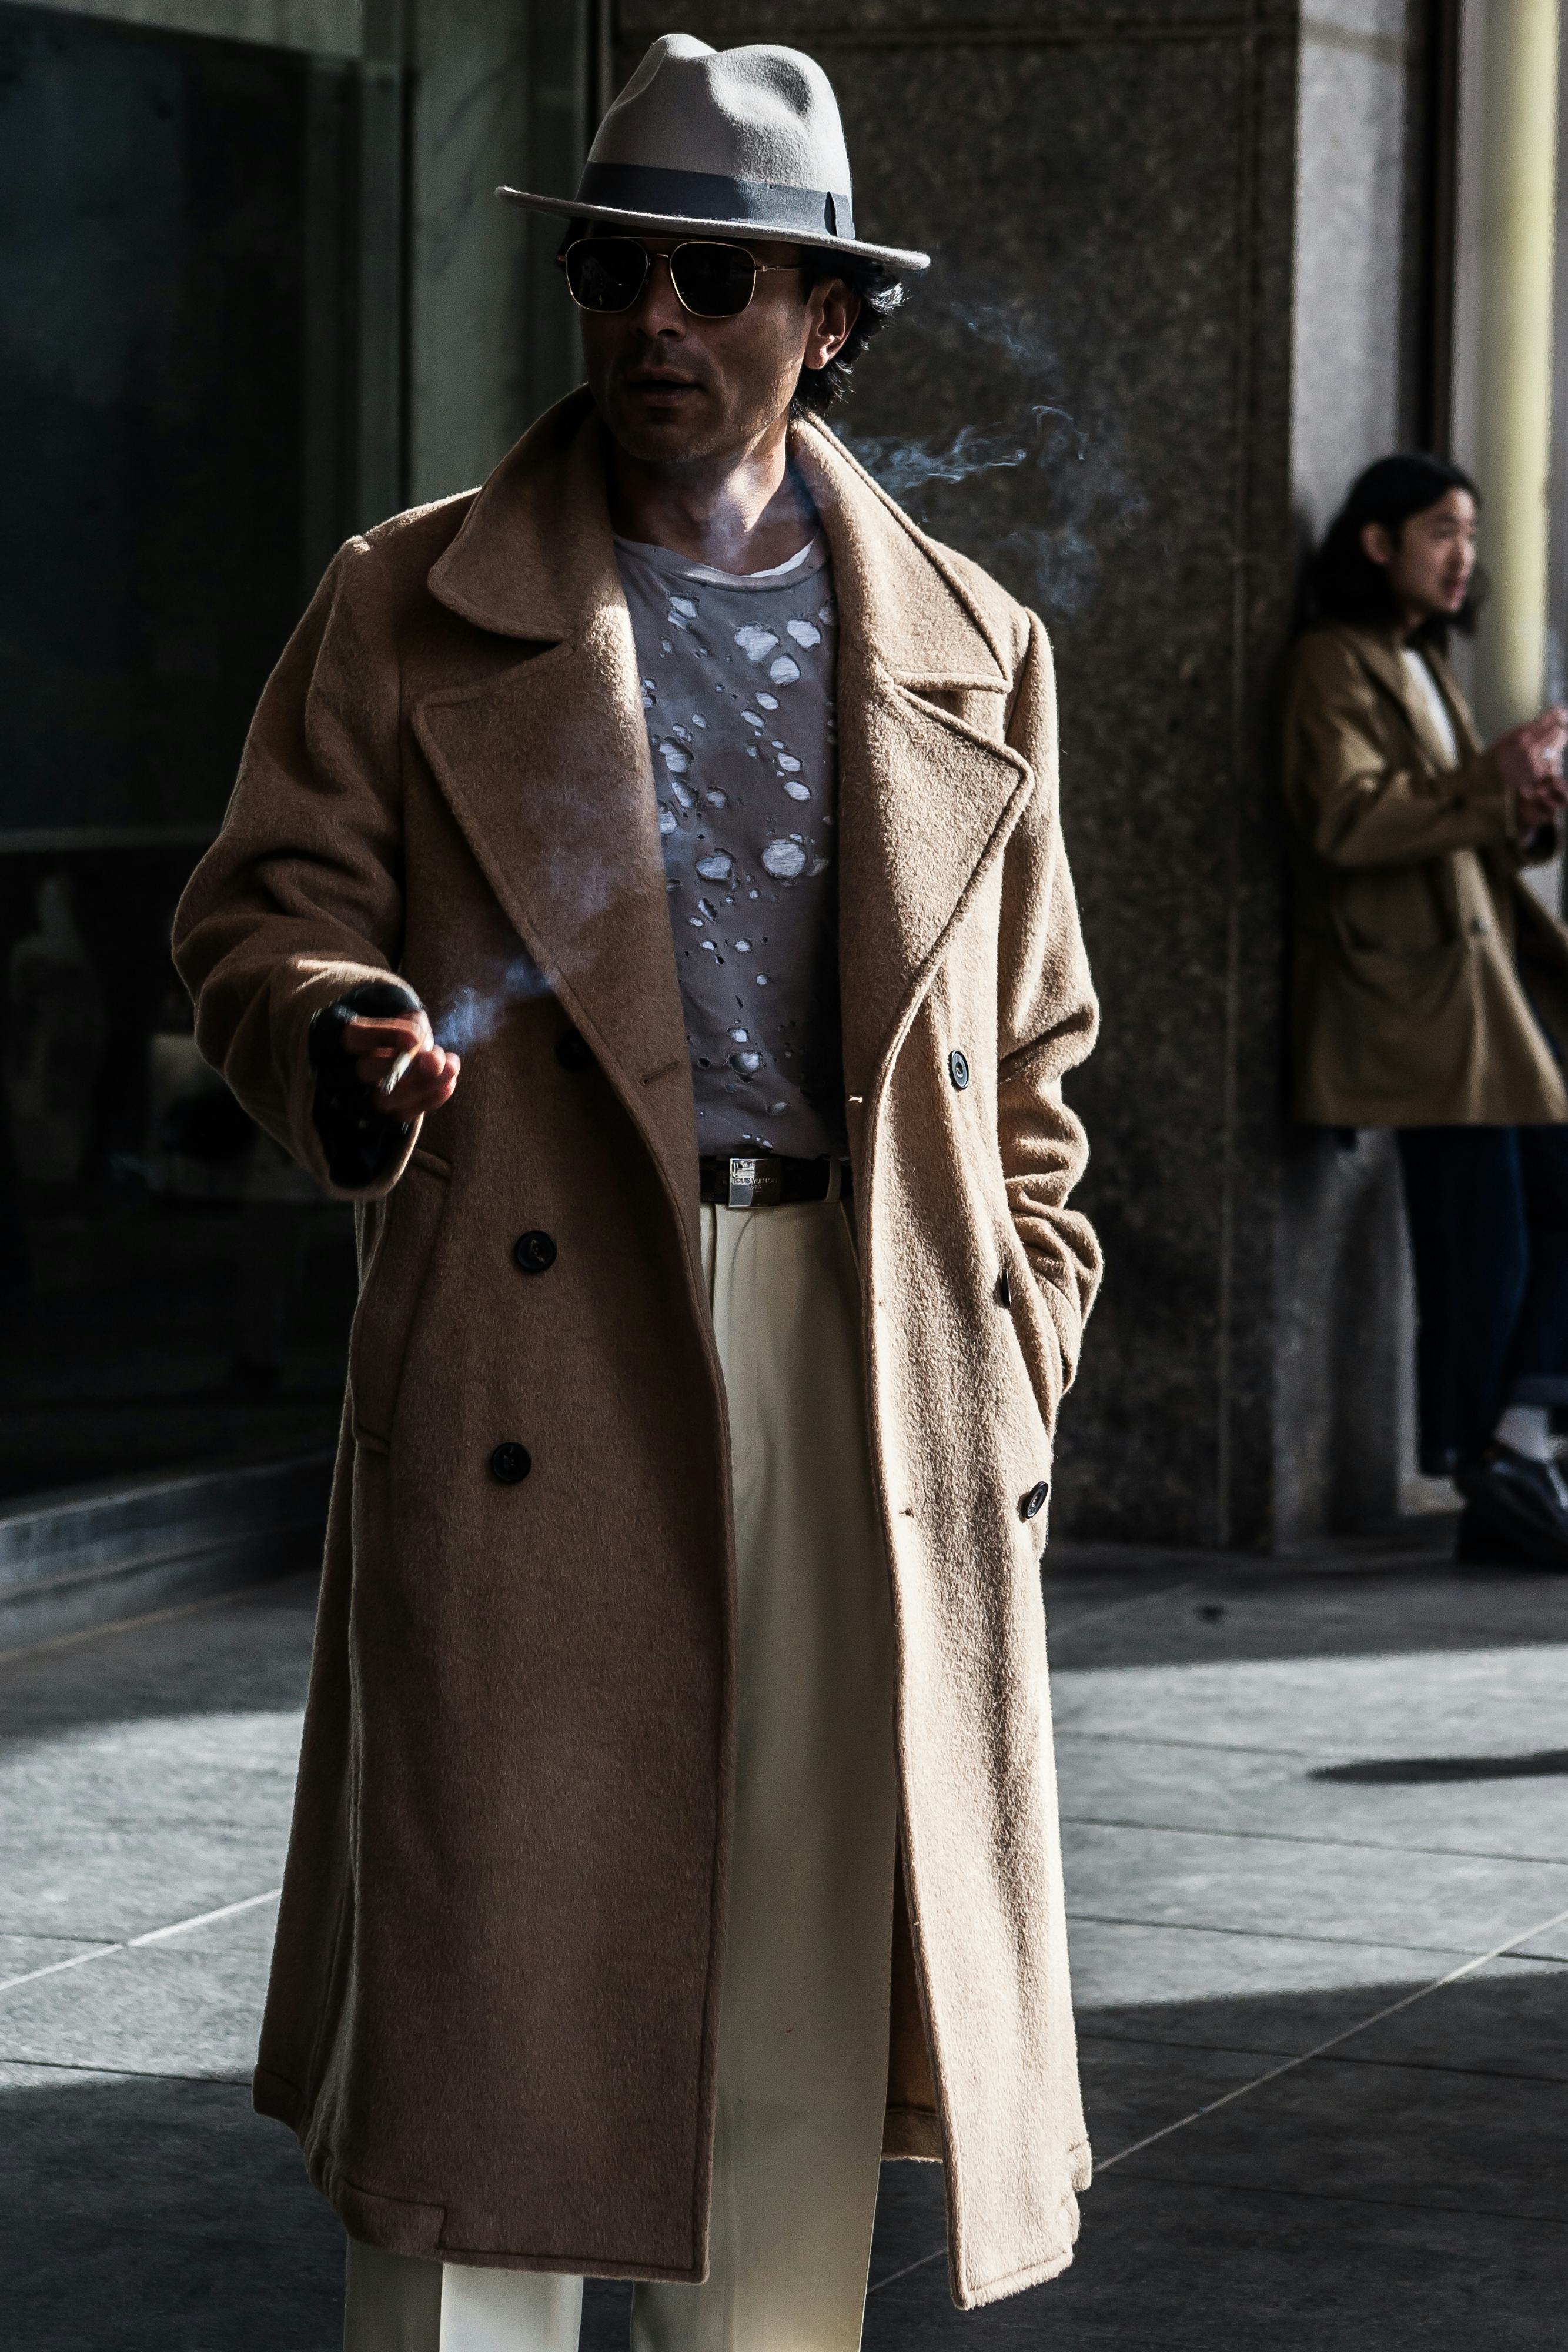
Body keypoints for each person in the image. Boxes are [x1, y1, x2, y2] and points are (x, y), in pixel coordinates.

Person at [172, 34, 1102, 2352]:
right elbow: (256, 913)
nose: (653, 324)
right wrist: (335, 1033)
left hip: (866, 1346)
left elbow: (1044, 1070)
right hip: (542, 1328)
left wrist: (1016, 1336)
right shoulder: (404, 606)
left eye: (713, 276)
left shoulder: (976, 646)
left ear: (827, 318)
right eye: (613, 271)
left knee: (798, 1955)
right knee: (496, 1969)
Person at [1283, 450, 1568, 1566]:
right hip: (1413, 1008)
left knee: (1506, 1231)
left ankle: (1516, 1442)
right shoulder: (1330, 663)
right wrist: (1490, 781)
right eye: (1444, 531)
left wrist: (1525, 806)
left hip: (1475, 1002)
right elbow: (1347, 822)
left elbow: (1457, 819)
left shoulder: (1417, 662)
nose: (1465, 557)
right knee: (1478, 1249)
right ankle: (1496, 1469)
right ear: (1377, 542)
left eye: (1474, 535)